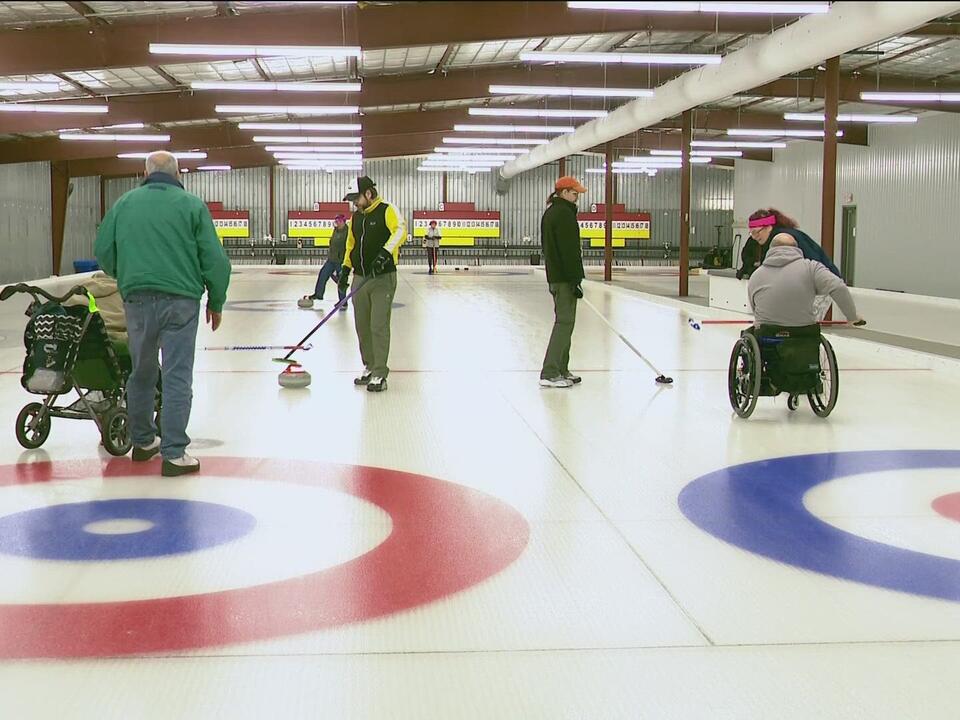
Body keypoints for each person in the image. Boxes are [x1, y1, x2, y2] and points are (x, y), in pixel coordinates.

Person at [95, 150, 231, 477]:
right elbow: (215, 260)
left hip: (137, 300)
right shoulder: (191, 206)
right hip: (181, 301)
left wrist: (127, 276)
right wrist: (216, 299)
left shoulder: (125, 203)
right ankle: (174, 453)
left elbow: (103, 251)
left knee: (141, 371)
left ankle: (142, 442)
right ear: (178, 173)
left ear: (145, 172)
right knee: (177, 375)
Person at [337, 176, 407, 393]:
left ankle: (379, 373)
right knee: (362, 326)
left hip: (382, 278)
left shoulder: (387, 210)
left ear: (368, 193)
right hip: (360, 278)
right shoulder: (355, 218)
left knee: (378, 325)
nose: (354, 203)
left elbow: (400, 231)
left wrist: (385, 253)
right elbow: (351, 244)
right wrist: (346, 269)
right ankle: (369, 367)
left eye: (355, 198)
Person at [748, 236, 863, 327]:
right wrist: (852, 316)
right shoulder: (812, 268)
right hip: (803, 334)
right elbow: (838, 287)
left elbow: (755, 307)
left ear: (771, 249)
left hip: (767, 335)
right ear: (797, 248)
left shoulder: (756, 275)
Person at [539, 176, 587, 389]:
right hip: (564, 278)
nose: (577, 197)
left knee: (567, 323)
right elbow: (569, 251)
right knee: (564, 323)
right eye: (575, 193)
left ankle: (561, 368)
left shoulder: (552, 212)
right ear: (564, 192)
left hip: (558, 276)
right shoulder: (563, 214)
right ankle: (550, 372)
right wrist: (575, 279)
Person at [738, 208, 841, 280]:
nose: (754, 237)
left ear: (768, 227)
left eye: (756, 232)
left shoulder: (783, 239)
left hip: (823, 279)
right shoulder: (760, 239)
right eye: (751, 233)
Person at [303, 213, 348, 310]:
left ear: (343, 222)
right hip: (331, 259)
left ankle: (343, 301)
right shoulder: (335, 231)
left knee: (341, 280)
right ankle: (318, 294)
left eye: (339, 221)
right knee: (323, 274)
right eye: (336, 221)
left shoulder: (347, 232)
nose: (337, 223)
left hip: (341, 261)